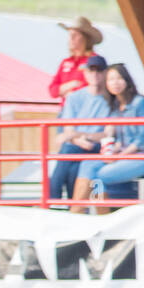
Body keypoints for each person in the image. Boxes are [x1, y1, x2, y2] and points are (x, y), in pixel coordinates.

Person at [72, 64, 144, 212]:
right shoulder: (115, 107)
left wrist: (118, 156)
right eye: (111, 79)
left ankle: (79, 215)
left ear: (126, 80)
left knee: (98, 176)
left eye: (118, 78)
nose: (115, 82)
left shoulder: (140, 103)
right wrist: (112, 152)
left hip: (141, 157)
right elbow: (116, 139)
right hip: (124, 156)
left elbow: (141, 140)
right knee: (87, 165)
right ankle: (83, 216)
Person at [49, 55, 111, 205]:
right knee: (69, 169)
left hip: (95, 146)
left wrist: (78, 136)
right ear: (86, 73)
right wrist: (79, 139)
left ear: (105, 73)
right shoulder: (75, 97)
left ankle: (54, 204)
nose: (95, 74)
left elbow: (108, 132)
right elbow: (68, 128)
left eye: (99, 70)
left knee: (66, 160)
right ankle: (66, 207)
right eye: (91, 70)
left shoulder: (111, 99)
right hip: (78, 145)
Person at [49, 15, 101, 100]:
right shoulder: (65, 62)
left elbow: (94, 87)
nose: (71, 38)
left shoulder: (94, 60)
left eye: (76, 35)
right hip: (66, 111)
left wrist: (67, 91)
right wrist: (72, 84)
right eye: (70, 35)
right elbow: (52, 90)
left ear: (86, 38)